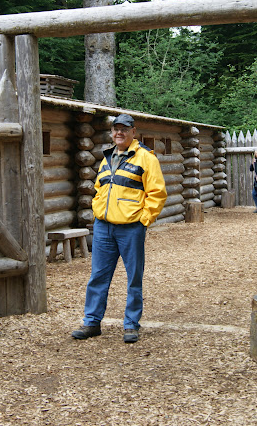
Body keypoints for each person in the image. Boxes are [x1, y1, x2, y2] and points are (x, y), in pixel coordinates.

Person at [71, 113, 167, 343]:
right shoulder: (107, 158)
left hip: (131, 228)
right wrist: (97, 212)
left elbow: (157, 193)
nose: (119, 133)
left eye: (124, 129)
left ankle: (131, 324)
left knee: (134, 277)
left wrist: (144, 219)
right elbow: (99, 188)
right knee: (98, 276)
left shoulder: (146, 158)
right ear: (112, 132)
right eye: (116, 129)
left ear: (134, 132)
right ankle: (92, 322)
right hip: (104, 227)